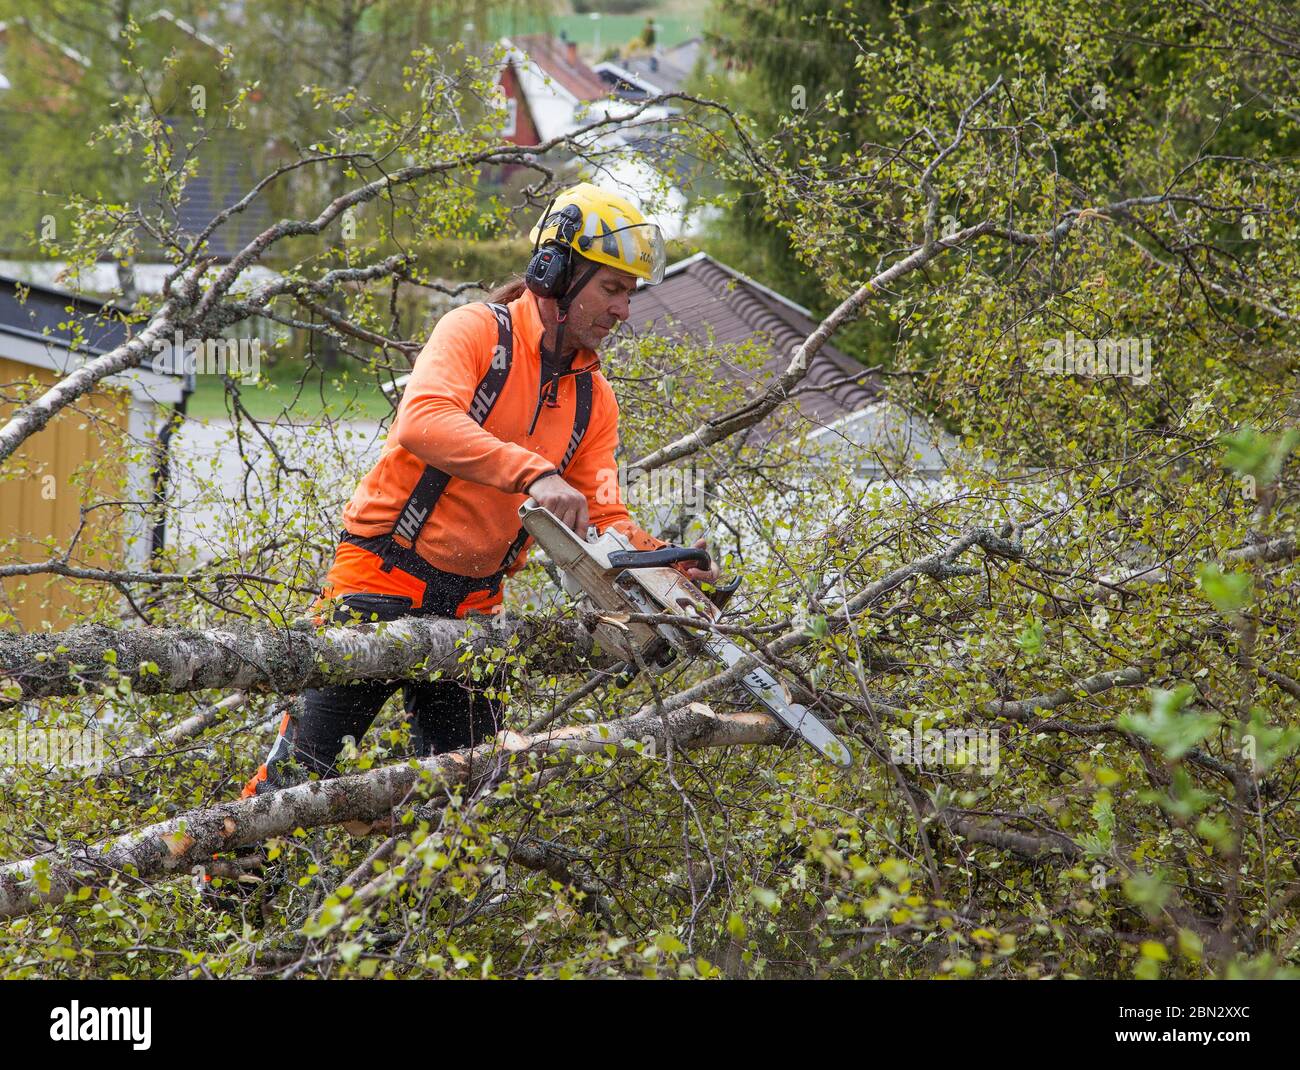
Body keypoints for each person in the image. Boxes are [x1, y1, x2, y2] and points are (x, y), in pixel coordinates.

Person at [238, 181, 719, 801]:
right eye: (611, 288)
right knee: (300, 778)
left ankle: (410, 892)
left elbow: (602, 512)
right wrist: (533, 471)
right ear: (557, 273)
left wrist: (661, 561)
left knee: (468, 803)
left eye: (629, 293)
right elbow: (424, 420)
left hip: (473, 606)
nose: (623, 309)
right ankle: (229, 882)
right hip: (382, 578)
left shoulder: (593, 398)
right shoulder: (475, 332)